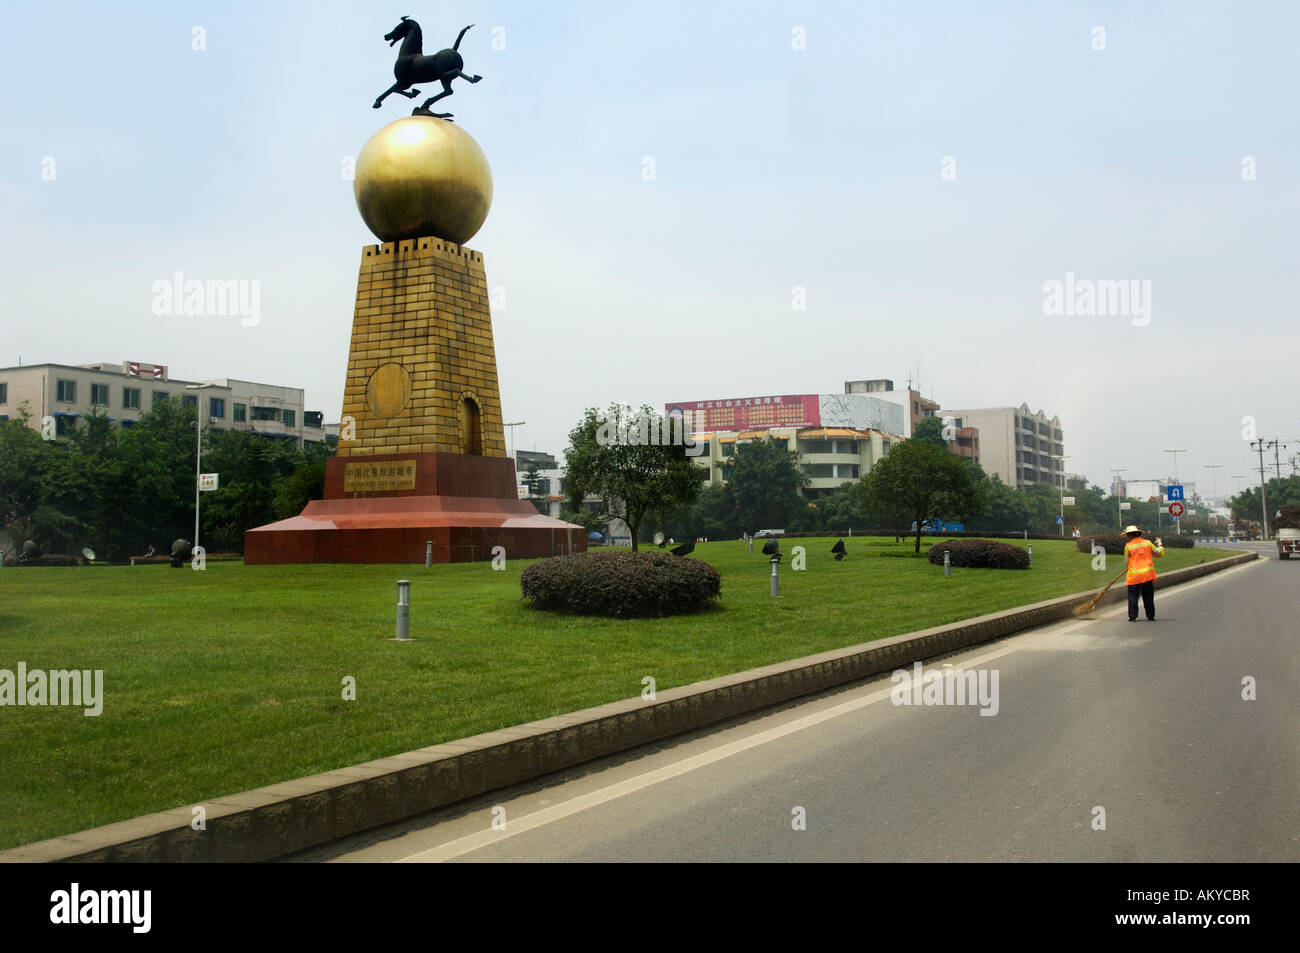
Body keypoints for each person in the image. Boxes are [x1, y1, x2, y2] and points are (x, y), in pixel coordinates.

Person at [1123, 525, 1164, 621]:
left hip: (1134, 576)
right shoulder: (1148, 543)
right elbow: (1159, 553)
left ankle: (1133, 616)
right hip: (1147, 575)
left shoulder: (1128, 546)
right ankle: (1150, 616)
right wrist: (1160, 546)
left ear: (1129, 535)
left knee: (1133, 597)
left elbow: (1126, 562)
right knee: (1148, 596)